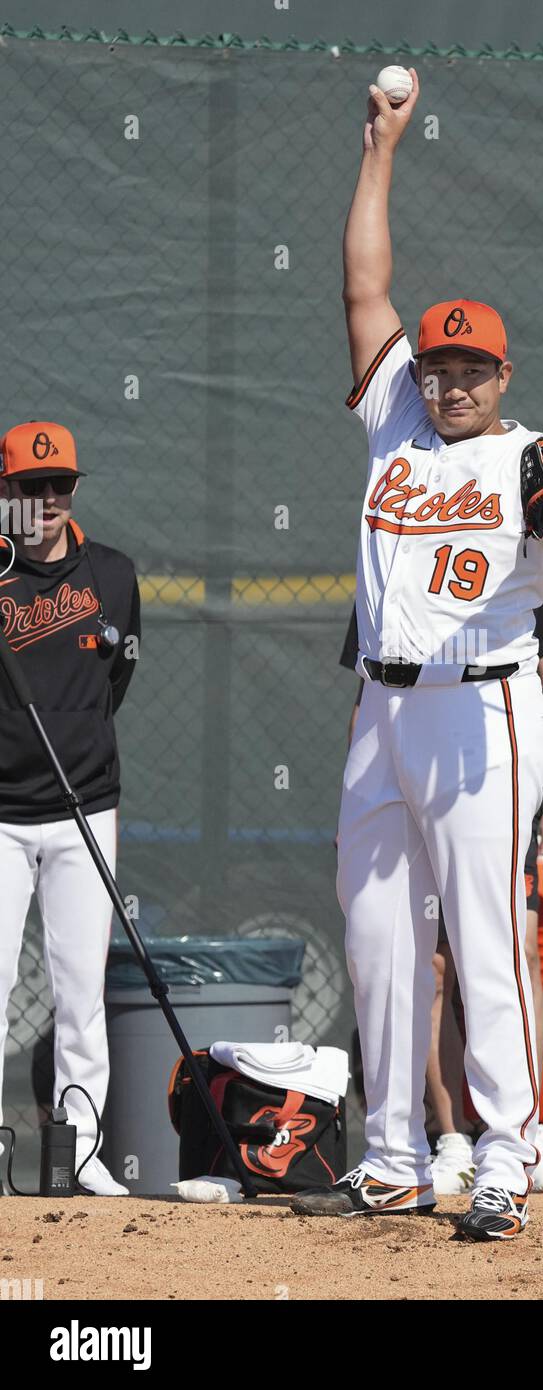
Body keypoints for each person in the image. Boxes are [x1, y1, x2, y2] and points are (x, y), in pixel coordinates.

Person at [292, 69, 543, 1243]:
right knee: (379, 934)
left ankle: (504, 1153)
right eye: (436, 367)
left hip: (482, 713)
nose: (446, 383)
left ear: (503, 377)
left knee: (483, 936)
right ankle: (392, 1154)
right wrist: (379, 148)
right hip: (379, 711)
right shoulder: (394, 418)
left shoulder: (525, 456)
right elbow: (363, 283)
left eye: (469, 369)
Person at [339, 563, 543, 1193]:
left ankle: (525, 1135)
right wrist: (356, 793)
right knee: (425, 963)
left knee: (509, 947)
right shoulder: (393, 549)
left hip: (483, 760)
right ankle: (446, 1139)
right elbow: (367, 686)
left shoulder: (516, 549)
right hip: (399, 754)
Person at [0, 421, 140, 1197]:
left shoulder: (112, 573)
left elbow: (116, 679)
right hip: (0, 814)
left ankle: (79, 1155)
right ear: (6, 492)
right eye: (31, 486)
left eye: (60, 484)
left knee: (80, 990)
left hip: (84, 807)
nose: (48, 498)